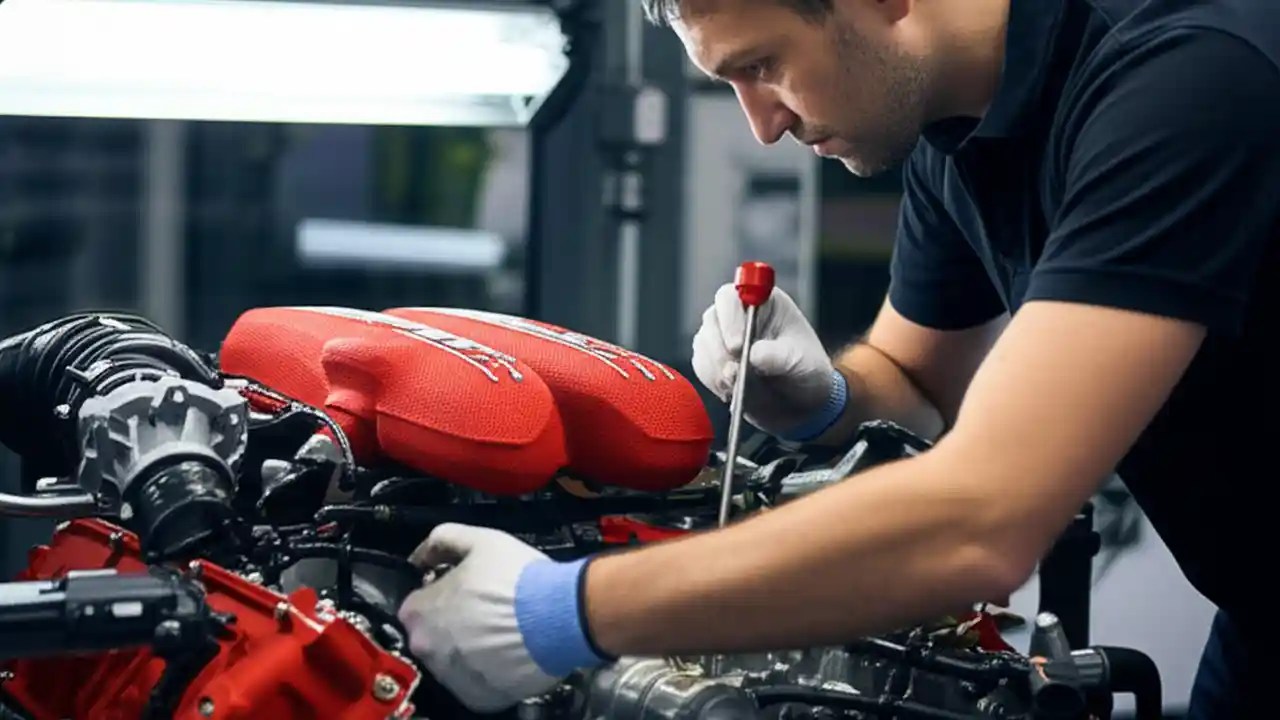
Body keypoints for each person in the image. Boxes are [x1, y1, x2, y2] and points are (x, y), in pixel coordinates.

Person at [396, 0, 1279, 715]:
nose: (763, 125)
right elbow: (918, 379)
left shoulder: (1186, 80)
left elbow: (983, 520)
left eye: (762, 66)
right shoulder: (960, 128)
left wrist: (560, 613)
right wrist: (822, 398)